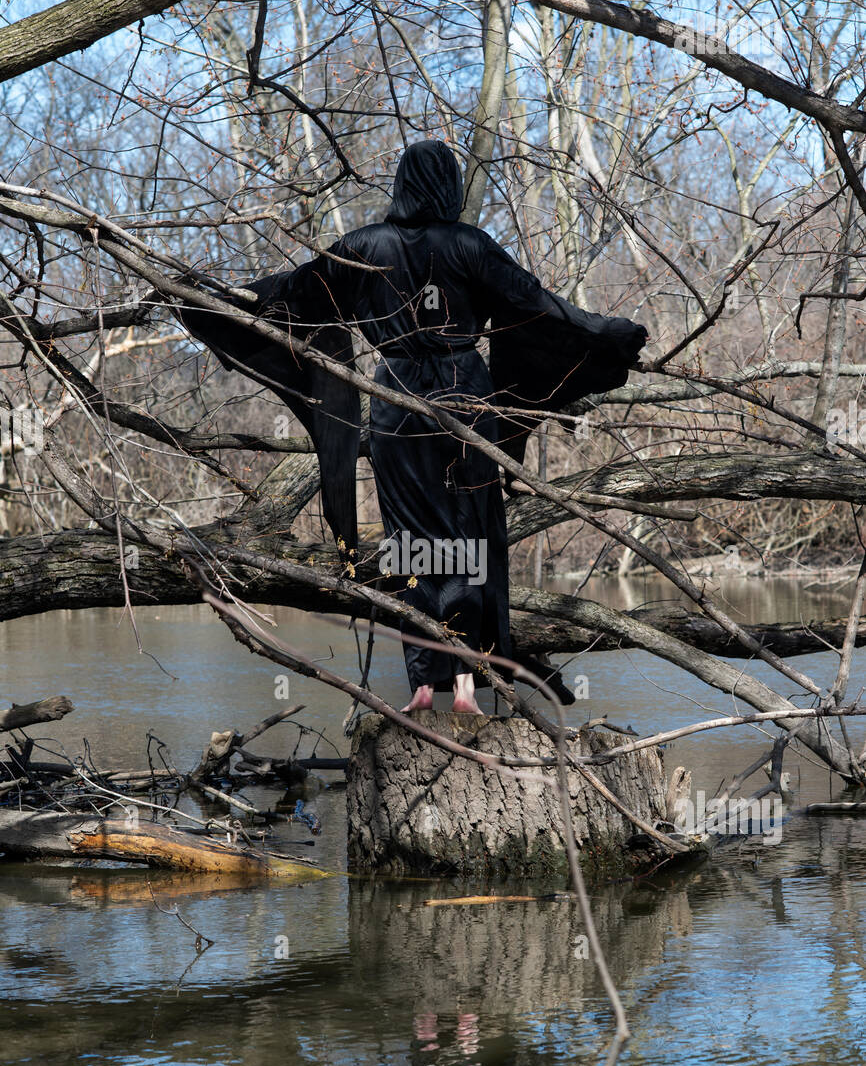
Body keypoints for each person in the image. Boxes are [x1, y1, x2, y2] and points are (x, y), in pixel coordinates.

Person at [178, 140, 647, 713]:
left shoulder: (362, 245)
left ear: (401, 184)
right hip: (466, 397)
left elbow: (295, 295)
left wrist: (214, 297)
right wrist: (608, 333)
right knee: (470, 535)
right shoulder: (470, 244)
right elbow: (539, 303)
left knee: (413, 541)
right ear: (448, 186)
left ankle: (424, 685)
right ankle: (469, 685)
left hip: (395, 400)